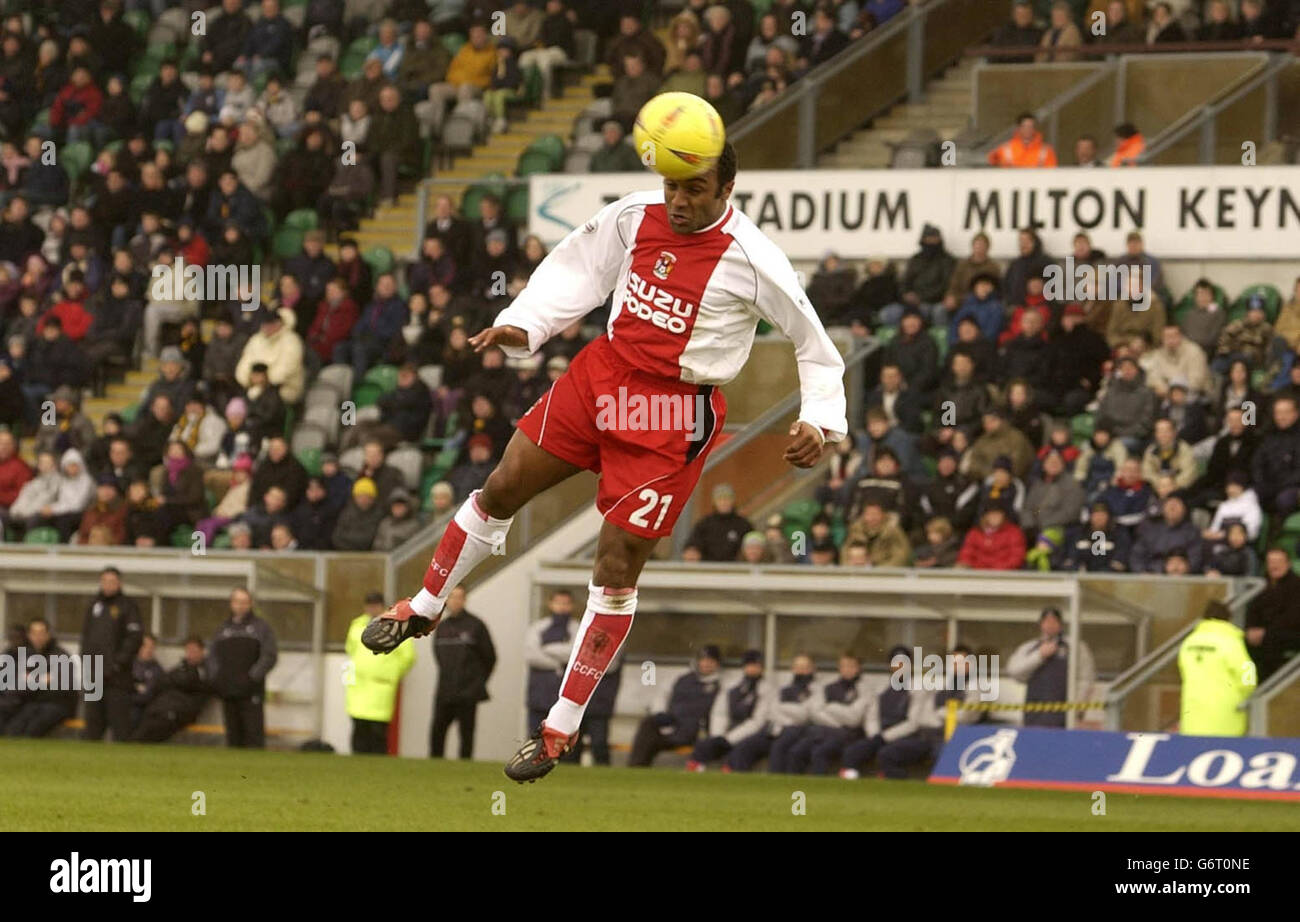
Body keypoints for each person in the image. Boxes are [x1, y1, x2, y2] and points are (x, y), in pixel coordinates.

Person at [360, 141, 848, 784]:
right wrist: (525, 322)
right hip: (603, 376)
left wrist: (819, 420)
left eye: (694, 189)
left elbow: (813, 344)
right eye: (672, 185)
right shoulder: (634, 215)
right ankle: (423, 606)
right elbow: (578, 271)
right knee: (502, 485)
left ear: (727, 189)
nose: (677, 198)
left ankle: (559, 726)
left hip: (673, 417)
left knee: (615, 567)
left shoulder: (756, 259)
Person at [430, 585, 497, 759]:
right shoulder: (442, 627)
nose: (455, 601)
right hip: (445, 690)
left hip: (468, 691)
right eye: (451, 597)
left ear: (465, 599)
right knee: (437, 731)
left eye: (459, 597)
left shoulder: (476, 625)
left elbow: (490, 657)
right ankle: (434, 767)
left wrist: (477, 682)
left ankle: (465, 767)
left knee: (466, 735)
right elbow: (438, 657)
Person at [626, 646, 722, 767]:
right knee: (648, 724)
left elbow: (718, 715)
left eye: (711, 661)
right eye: (704, 660)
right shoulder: (682, 680)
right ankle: (636, 767)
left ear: (717, 664)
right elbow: (662, 696)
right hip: (672, 723)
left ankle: (638, 766)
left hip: (692, 731)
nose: (706, 664)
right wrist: (660, 713)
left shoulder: (720, 687)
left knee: (652, 740)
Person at [345, 592, 416, 755]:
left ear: (382, 606)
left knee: (378, 733)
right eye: (369, 605)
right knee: (359, 731)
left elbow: (408, 657)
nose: (372, 609)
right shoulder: (357, 624)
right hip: (358, 689)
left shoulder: (395, 625)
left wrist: (391, 673)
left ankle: (378, 769)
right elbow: (351, 651)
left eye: (375, 605)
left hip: (380, 687)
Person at [79, 566, 143, 741]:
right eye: (105, 581)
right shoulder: (93, 605)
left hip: (118, 677)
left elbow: (134, 638)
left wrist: (117, 664)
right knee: (92, 726)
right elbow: (86, 637)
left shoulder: (128, 606)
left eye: (112, 581)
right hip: (94, 675)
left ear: (119, 583)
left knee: (120, 726)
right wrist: (86, 662)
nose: (108, 585)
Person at [209, 587, 278, 748]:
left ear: (250, 604)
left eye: (244, 602)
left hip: (251, 691)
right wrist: (218, 678)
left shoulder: (261, 628)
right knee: (233, 738)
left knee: (253, 736)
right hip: (228, 691)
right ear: (231, 603)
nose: (240, 606)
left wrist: (251, 678)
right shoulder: (222, 629)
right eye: (237, 602)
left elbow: (269, 656)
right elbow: (212, 656)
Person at [1005, 607, 1096, 727]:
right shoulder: (1030, 647)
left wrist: (1076, 710)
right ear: (1041, 624)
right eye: (1047, 621)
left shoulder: (1076, 647)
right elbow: (1014, 671)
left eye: (1054, 621)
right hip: (1033, 714)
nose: (1050, 625)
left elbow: (1086, 679)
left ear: (1061, 625)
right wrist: (1039, 656)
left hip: (1065, 714)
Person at [1178, 599, 1254, 737]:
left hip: (1193, 710)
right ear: (1228, 619)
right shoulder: (1230, 641)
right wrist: (1245, 694)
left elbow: (1183, 671)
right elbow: (1248, 672)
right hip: (1226, 711)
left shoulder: (1189, 641)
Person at [687, 649, 771, 770]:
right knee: (704, 745)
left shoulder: (767, 690)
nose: (752, 669)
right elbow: (719, 713)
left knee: (740, 752)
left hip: (750, 736)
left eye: (756, 665)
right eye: (749, 665)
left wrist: (729, 739)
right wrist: (719, 735)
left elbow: (757, 722)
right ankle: (695, 772)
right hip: (727, 733)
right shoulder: (732, 686)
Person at [1, 619, 77, 737]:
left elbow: (62, 681)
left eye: (41, 633)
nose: (37, 637)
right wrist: (42, 679)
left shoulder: (59, 654)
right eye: (34, 633)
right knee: (13, 728)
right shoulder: (28, 654)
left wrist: (35, 679)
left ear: (48, 635)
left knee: (32, 729)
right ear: (29, 635)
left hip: (58, 704)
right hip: (35, 703)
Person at [131, 636, 212, 743]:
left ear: (202, 651)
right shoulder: (181, 667)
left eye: (194, 651)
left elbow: (187, 682)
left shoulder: (205, 671)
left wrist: (177, 680)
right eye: (188, 650)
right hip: (160, 709)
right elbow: (163, 681)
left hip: (177, 712)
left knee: (144, 736)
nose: (190, 654)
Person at [1244, 547, 1300, 682]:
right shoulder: (1262, 585)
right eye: (1271, 562)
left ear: (1288, 564)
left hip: (1288, 634)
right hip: (1262, 634)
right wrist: (1251, 629)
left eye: (1278, 562)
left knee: (1272, 642)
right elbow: (1252, 610)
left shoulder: (1297, 585)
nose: (1274, 566)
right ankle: (1248, 685)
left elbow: (1293, 617)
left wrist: (1266, 632)